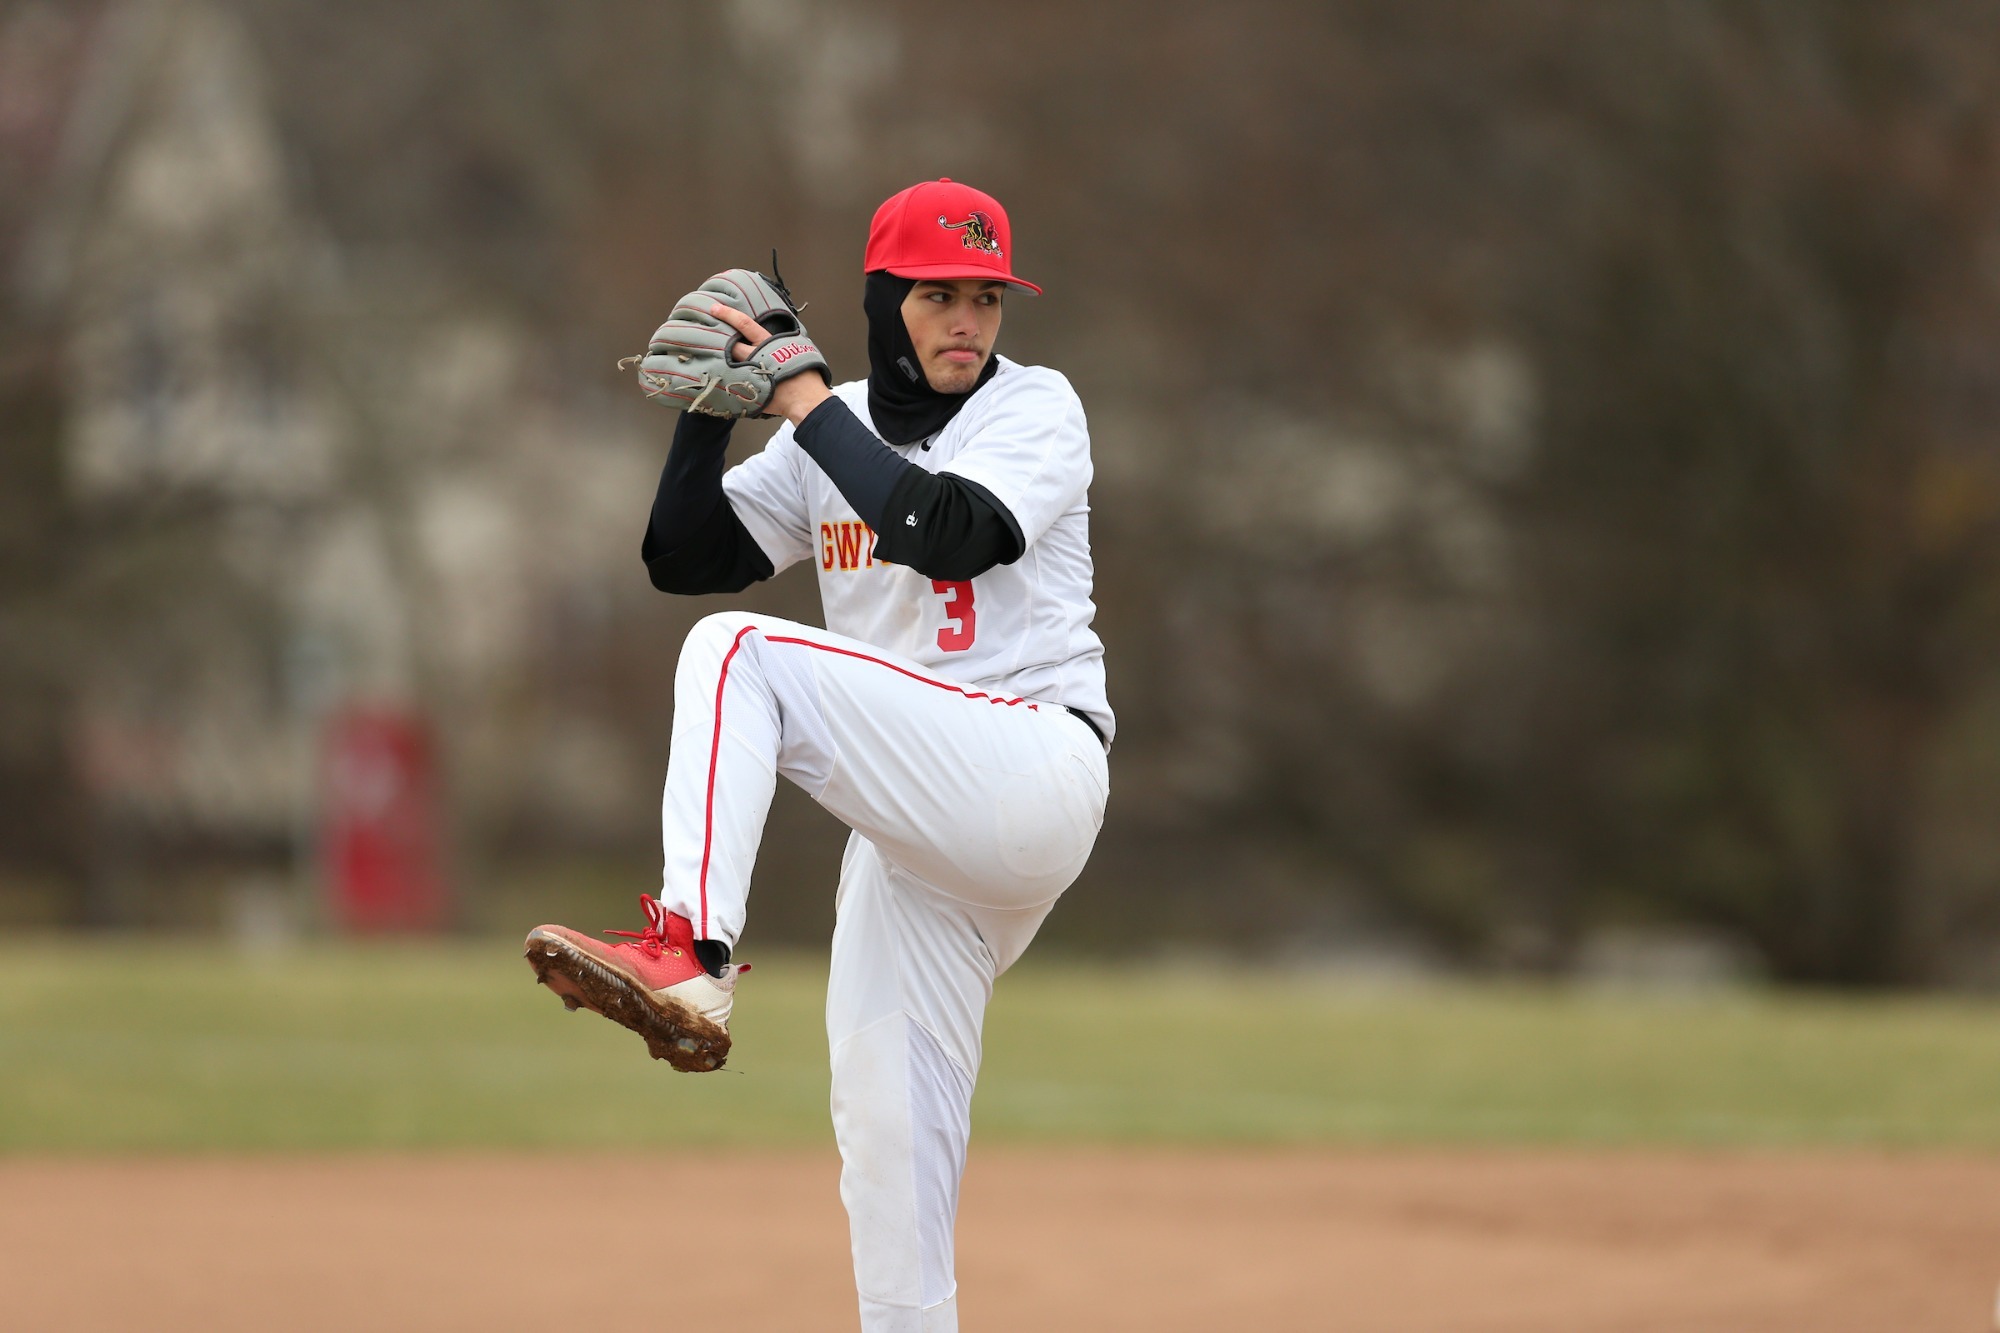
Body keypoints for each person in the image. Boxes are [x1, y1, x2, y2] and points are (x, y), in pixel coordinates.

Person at [525, 177, 1111, 1333]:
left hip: (1032, 769)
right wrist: (709, 408)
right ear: (884, 298)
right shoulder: (827, 424)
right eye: (937, 294)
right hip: (915, 843)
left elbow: (944, 525)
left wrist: (796, 397)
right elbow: (683, 553)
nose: (966, 321)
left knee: (740, 654)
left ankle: (688, 951)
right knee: (886, 1158)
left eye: (985, 297)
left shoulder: (1034, 410)